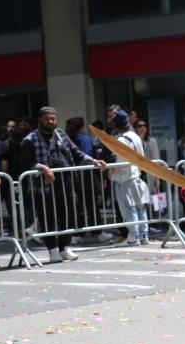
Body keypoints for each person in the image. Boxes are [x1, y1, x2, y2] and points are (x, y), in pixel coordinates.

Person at [18, 107, 107, 263]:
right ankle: (52, 250)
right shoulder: (30, 139)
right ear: (40, 119)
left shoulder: (60, 134)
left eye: (53, 118)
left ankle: (64, 248)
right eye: (47, 118)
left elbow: (75, 152)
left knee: (70, 214)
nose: (50, 121)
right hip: (44, 186)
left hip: (66, 182)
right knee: (49, 218)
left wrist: (92, 160)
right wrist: (42, 168)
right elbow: (24, 162)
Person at [109, 110, 151, 246]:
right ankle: (144, 235)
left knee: (128, 207)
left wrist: (111, 171)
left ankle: (133, 237)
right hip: (136, 174)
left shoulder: (120, 140)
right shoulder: (135, 136)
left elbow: (119, 162)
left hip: (124, 177)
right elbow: (141, 155)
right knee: (139, 206)